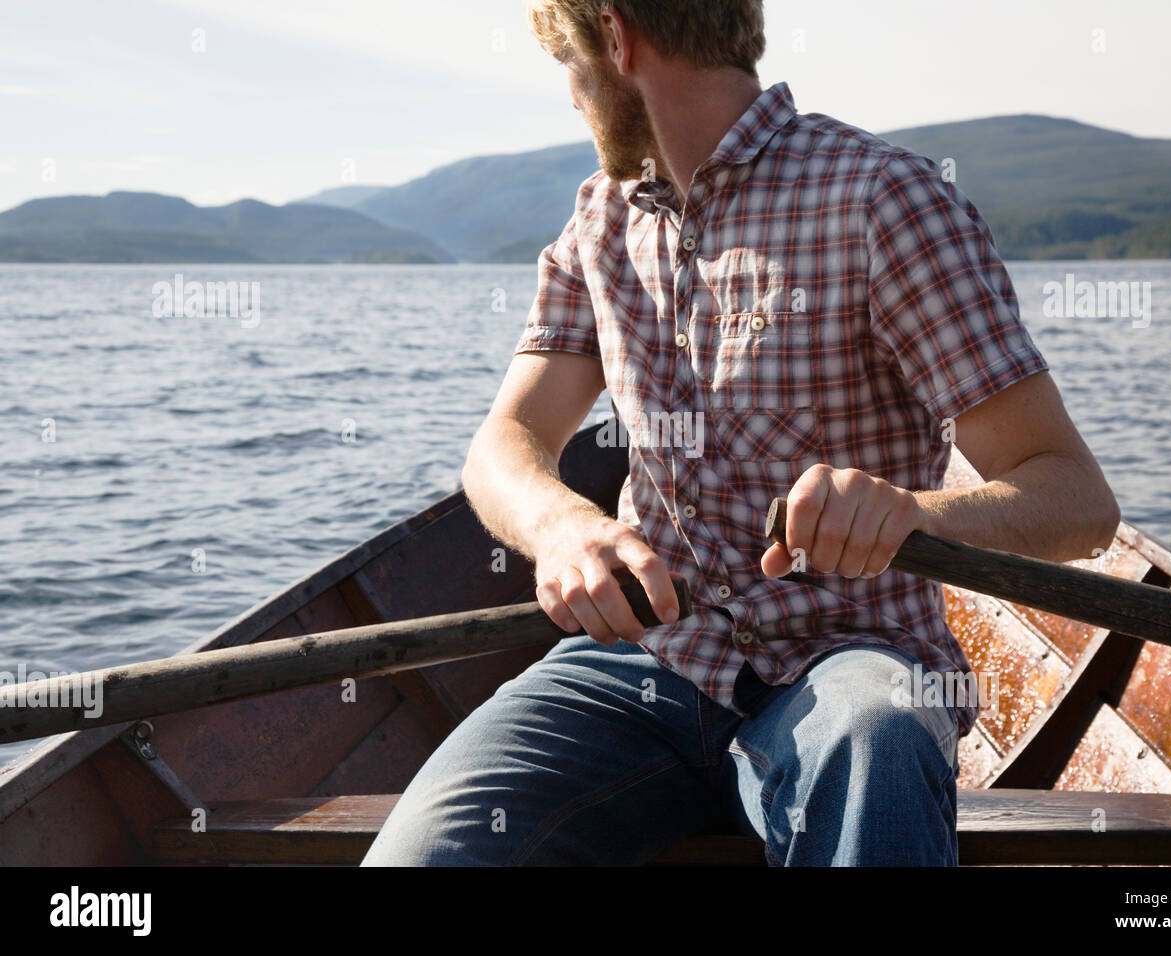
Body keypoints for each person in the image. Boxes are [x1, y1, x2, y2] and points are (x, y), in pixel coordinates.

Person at [361, 0, 1119, 866]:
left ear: (615, 37)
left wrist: (914, 513)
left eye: (568, 63)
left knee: (874, 740)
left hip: (851, 664)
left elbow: (1076, 500)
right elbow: (506, 440)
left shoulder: (884, 200)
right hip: (643, 665)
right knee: (428, 849)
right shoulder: (599, 221)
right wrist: (561, 528)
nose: (570, 95)